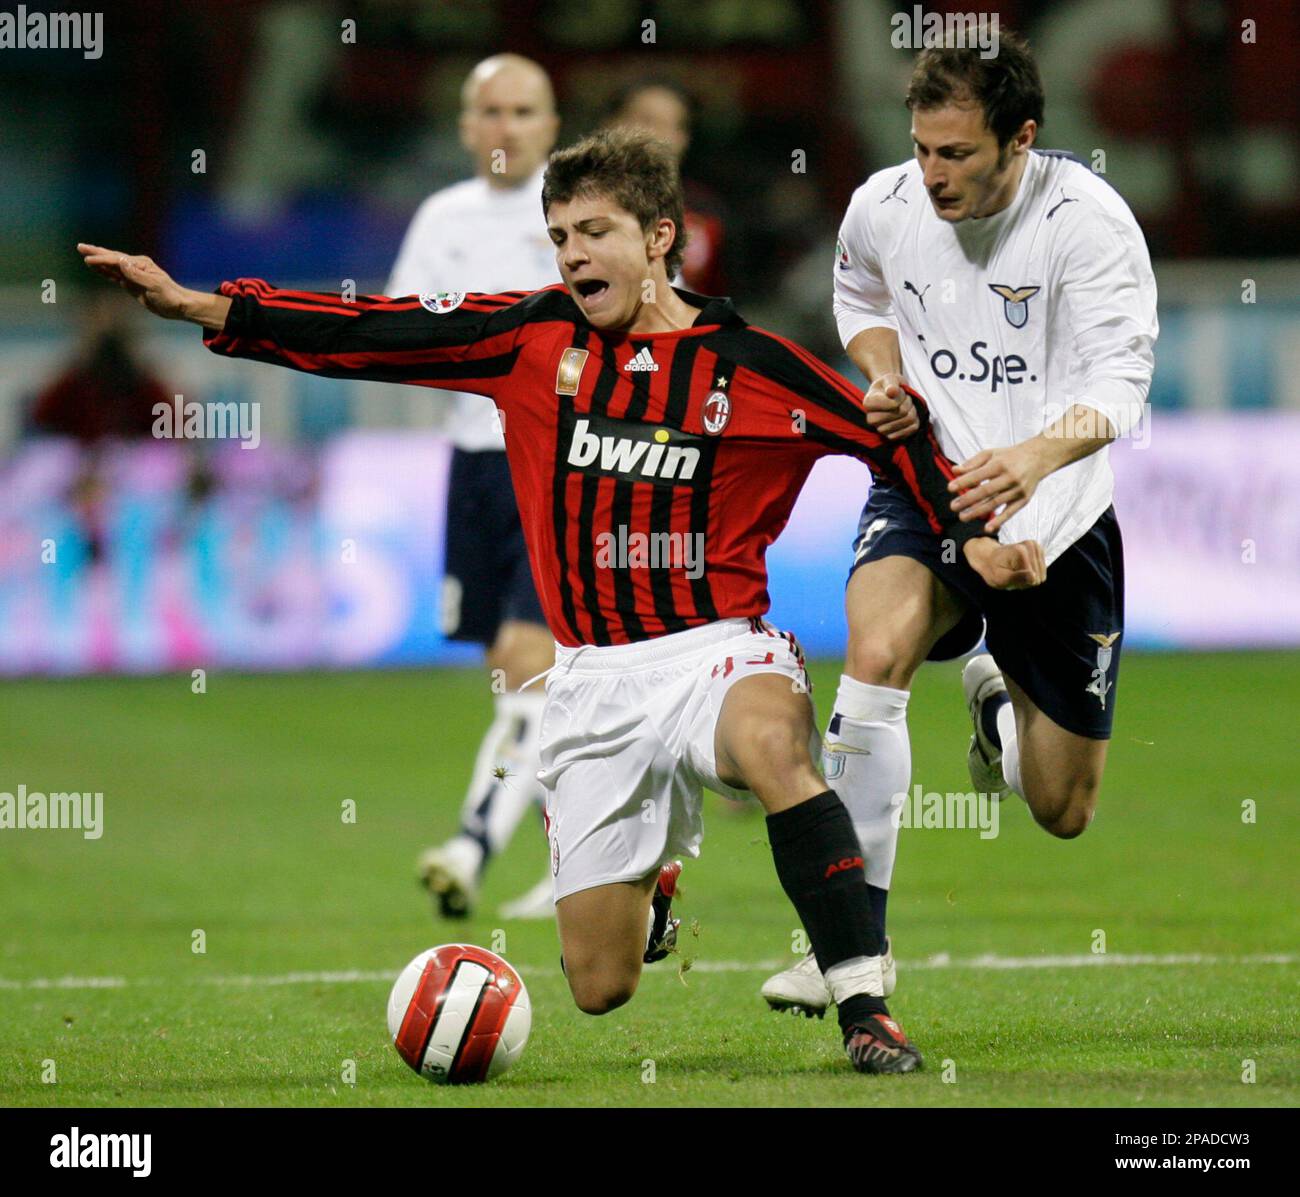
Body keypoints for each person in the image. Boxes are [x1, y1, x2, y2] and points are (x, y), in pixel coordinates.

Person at [78, 128, 1043, 1074]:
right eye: (560, 236)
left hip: (717, 650)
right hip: (588, 681)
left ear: (660, 237)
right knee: (598, 985)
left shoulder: (752, 366)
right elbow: (375, 330)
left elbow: (893, 438)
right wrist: (209, 307)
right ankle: (653, 877)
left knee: (775, 748)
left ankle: (863, 1003)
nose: (573, 253)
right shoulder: (527, 337)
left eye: (593, 231)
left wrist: (970, 543)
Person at [761, 30, 1157, 1017]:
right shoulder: (885, 206)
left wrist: (1029, 469)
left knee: (1061, 808)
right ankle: (850, 946)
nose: (931, 175)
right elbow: (857, 295)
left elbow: (1120, 383)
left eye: (957, 154)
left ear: (1019, 140)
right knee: (875, 648)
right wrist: (884, 371)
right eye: (921, 148)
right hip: (930, 478)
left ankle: (993, 710)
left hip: (1056, 509)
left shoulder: (1087, 224)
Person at [385, 54, 563, 923]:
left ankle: (471, 843)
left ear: (551, 124)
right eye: (489, 111)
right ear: (465, 126)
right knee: (514, 672)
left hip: (558, 464)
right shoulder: (443, 217)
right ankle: (586, 859)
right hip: (473, 463)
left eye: (523, 111)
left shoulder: (574, 214)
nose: (505, 127)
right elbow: (394, 333)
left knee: (533, 665)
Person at [603, 78, 726, 296]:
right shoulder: (566, 206)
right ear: (609, 124)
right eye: (646, 120)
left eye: (674, 125)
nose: (659, 135)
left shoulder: (707, 216)